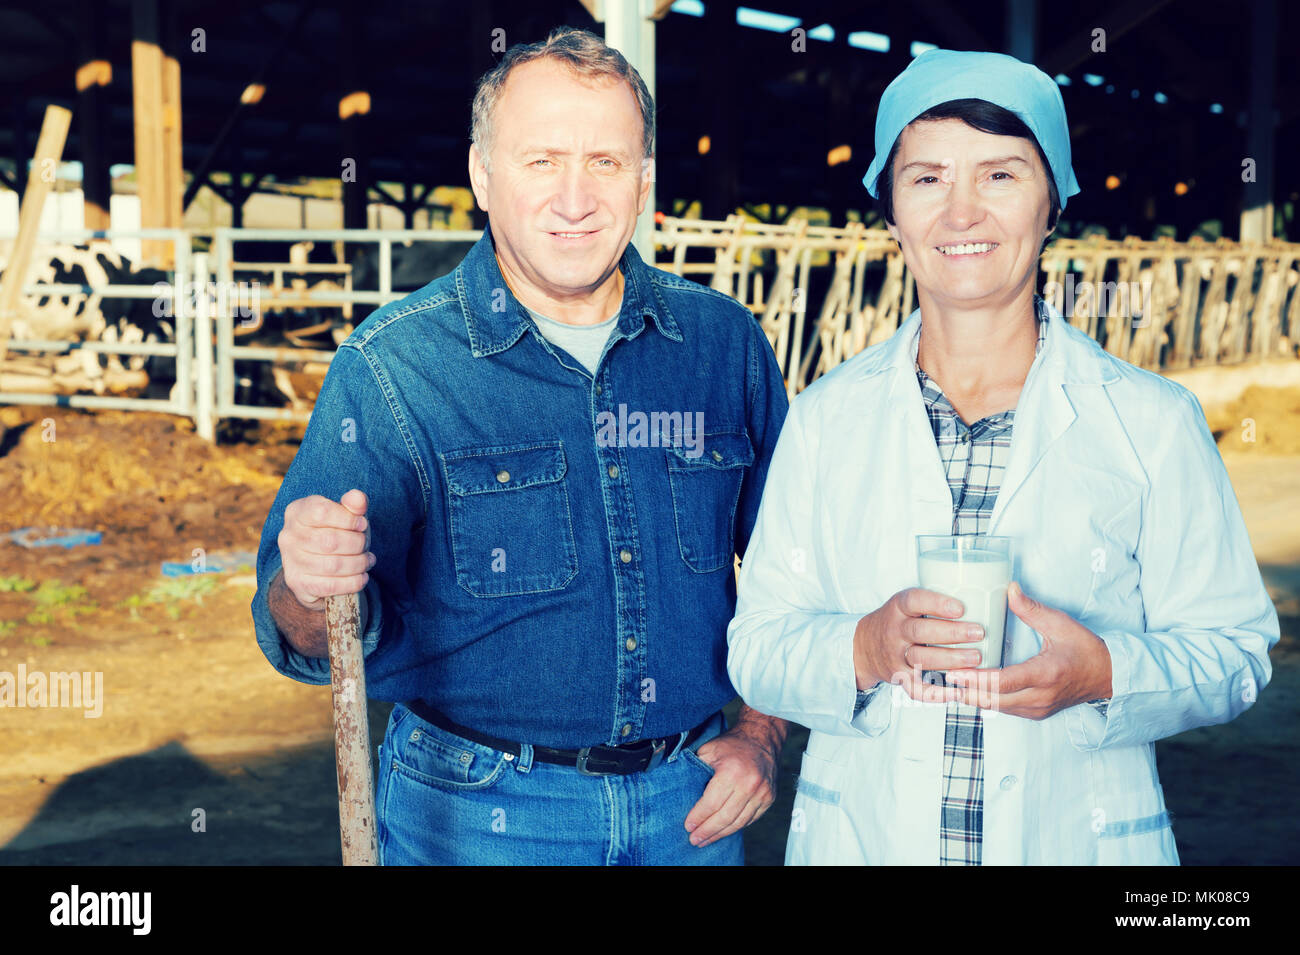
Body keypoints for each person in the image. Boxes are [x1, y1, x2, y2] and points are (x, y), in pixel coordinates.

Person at [251, 26, 789, 865]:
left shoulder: (722, 348)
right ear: (481, 175)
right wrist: (309, 585)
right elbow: (297, 628)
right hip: (476, 817)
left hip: (690, 810)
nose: (575, 199)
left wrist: (759, 732)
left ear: (644, 180)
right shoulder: (395, 366)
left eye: (606, 163)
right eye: (541, 161)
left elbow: (798, 570)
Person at [725, 49, 1279, 865]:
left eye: (1001, 175)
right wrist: (865, 648)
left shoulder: (1152, 420)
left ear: (1051, 201)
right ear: (890, 213)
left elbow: (1236, 650)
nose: (961, 213)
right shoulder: (824, 419)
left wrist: (1105, 673)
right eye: (926, 179)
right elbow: (757, 647)